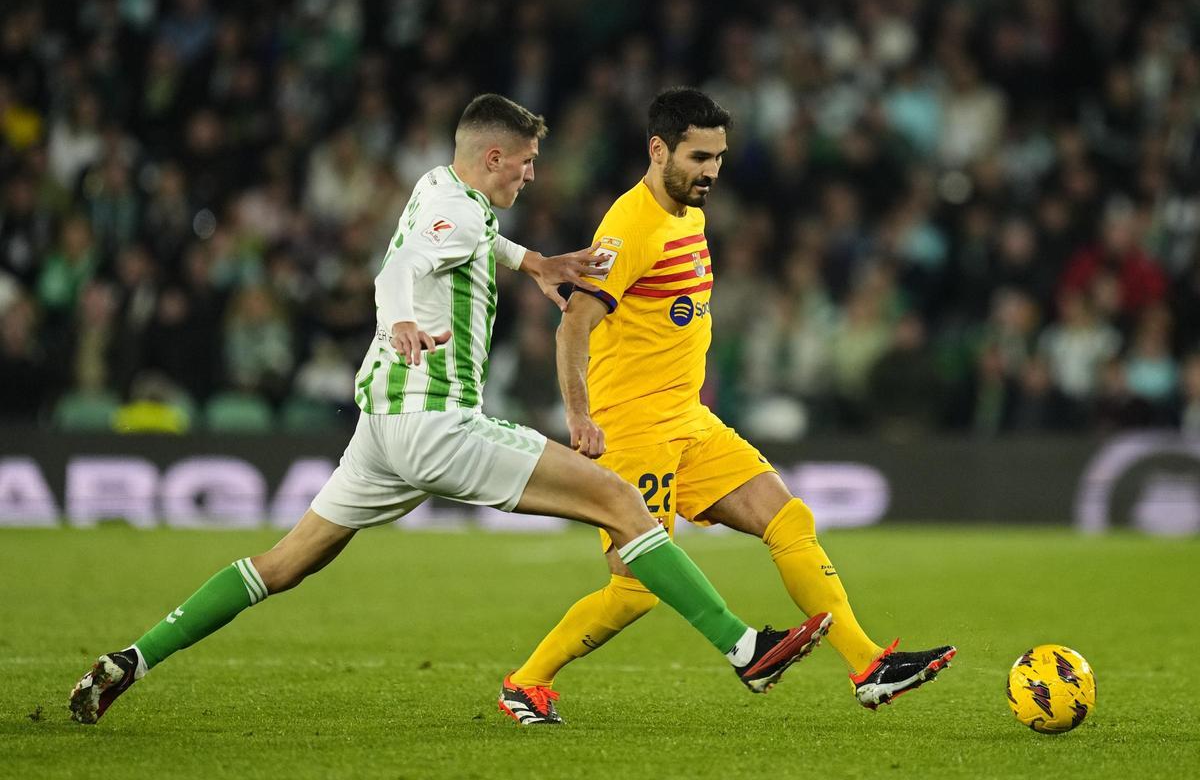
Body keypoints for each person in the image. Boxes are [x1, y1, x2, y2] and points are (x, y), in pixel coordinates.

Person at [69, 94, 830, 725]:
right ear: (493, 158)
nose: (533, 175)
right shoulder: (457, 217)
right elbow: (402, 267)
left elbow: (473, 237)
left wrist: (535, 263)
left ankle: (132, 659)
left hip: (378, 434)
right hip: (438, 422)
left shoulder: (439, 186)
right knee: (623, 503)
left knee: (280, 565)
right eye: (526, 162)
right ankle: (742, 648)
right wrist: (399, 315)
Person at [498, 89, 955, 725]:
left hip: (688, 418)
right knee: (633, 593)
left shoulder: (689, 210)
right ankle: (526, 681)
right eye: (699, 156)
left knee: (788, 518)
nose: (712, 170)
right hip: (633, 427)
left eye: (719, 157)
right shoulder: (628, 227)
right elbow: (573, 324)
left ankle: (869, 665)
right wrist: (579, 416)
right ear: (657, 150)